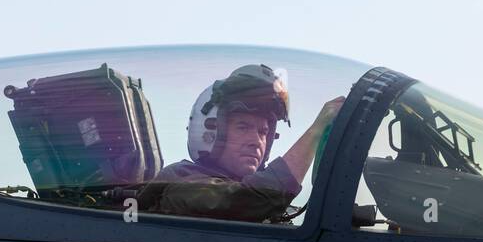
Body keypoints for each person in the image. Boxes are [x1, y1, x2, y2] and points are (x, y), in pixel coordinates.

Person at [137, 64, 344, 223]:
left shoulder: (264, 205)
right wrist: (317, 130)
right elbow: (244, 199)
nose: (257, 141)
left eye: (263, 132)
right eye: (243, 127)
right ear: (210, 131)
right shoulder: (181, 182)